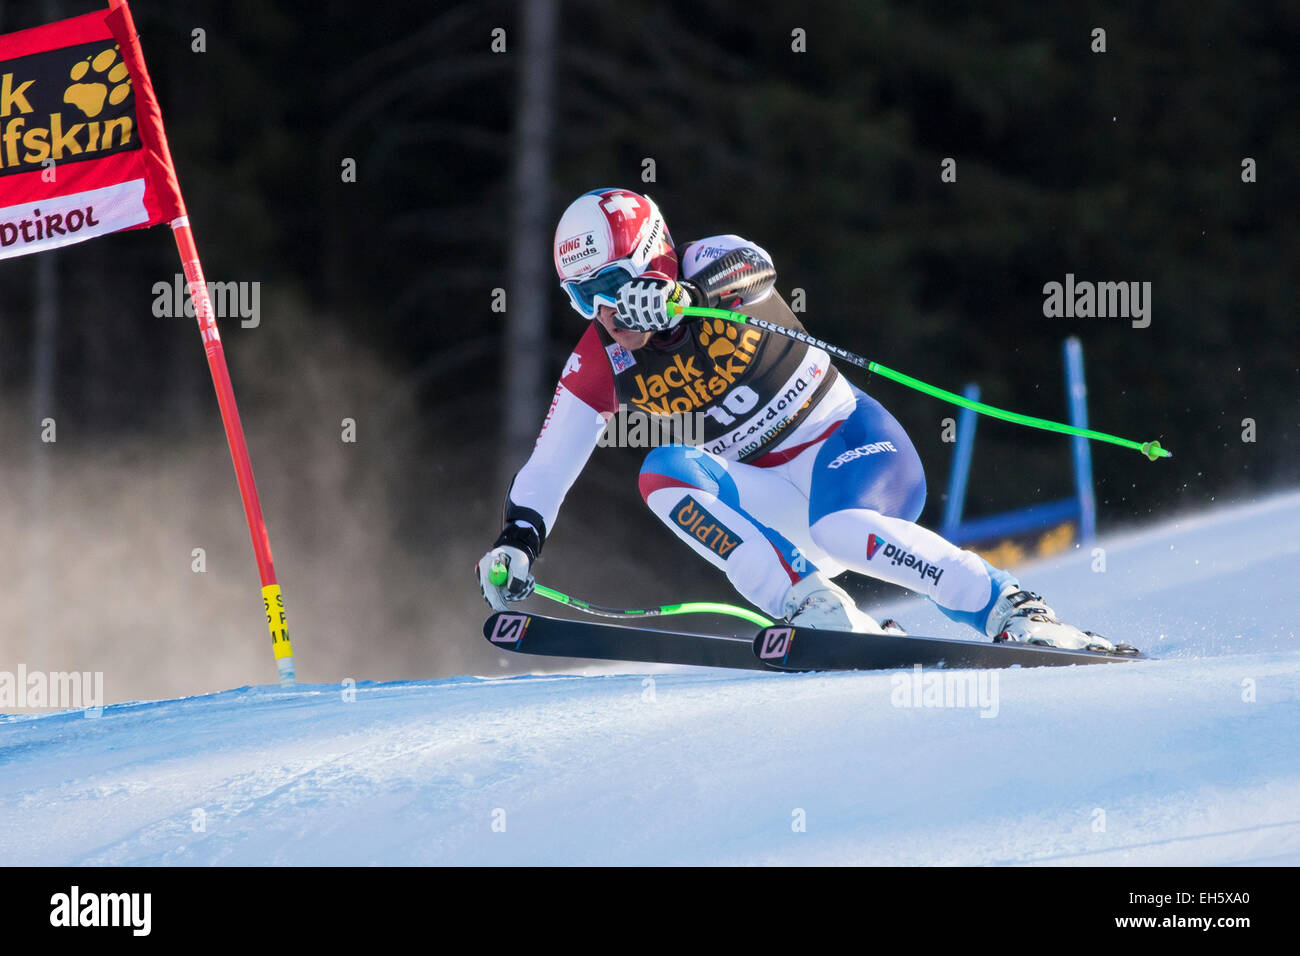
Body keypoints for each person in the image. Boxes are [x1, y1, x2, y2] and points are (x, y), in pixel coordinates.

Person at [476, 187, 1111, 649]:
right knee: (662, 472)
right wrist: (516, 542)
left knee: (839, 527)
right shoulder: (602, 357)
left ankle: (1010, 607)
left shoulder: (704, 267)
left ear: (653, 257)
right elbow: (549, 466)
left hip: (854, 448)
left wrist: (682, 301)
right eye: (583, 296)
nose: (606, 310)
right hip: (775, 495)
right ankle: (816, 609)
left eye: (613, 283)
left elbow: (753, 265)